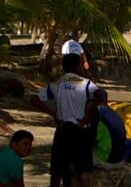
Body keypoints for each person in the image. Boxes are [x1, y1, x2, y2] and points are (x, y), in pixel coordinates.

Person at [32, 53, 104, 187]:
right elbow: (100, 94)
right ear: (77, 66)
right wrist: (88, 115)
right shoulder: (85, 83)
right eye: (81, 65)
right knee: (83, 169)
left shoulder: (57, 84)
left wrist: (53, 113)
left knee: (57, 169)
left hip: (63, 129)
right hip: (80, 128)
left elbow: (35, 99)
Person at [91, 103, 129, 187]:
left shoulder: (98, 118)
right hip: (121, 159)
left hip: (108, 160)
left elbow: (90, 142)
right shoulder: (114, 114)